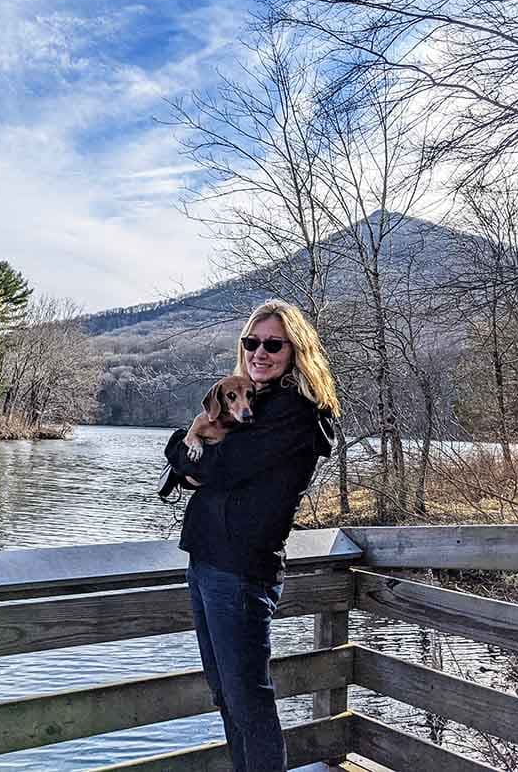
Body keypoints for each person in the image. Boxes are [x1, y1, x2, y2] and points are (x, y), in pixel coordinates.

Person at [164, 299, 340, 772]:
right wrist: (188, 458)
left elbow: (217, 466)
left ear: (296, 350)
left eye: (273, 344)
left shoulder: (293, 412)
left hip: (239, 571)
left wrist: (184, 455)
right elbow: (196, 464)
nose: (260, 352)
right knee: (227, 696)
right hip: (206, 562)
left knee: (249, 703)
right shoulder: (250, 401)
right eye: (251, 342)